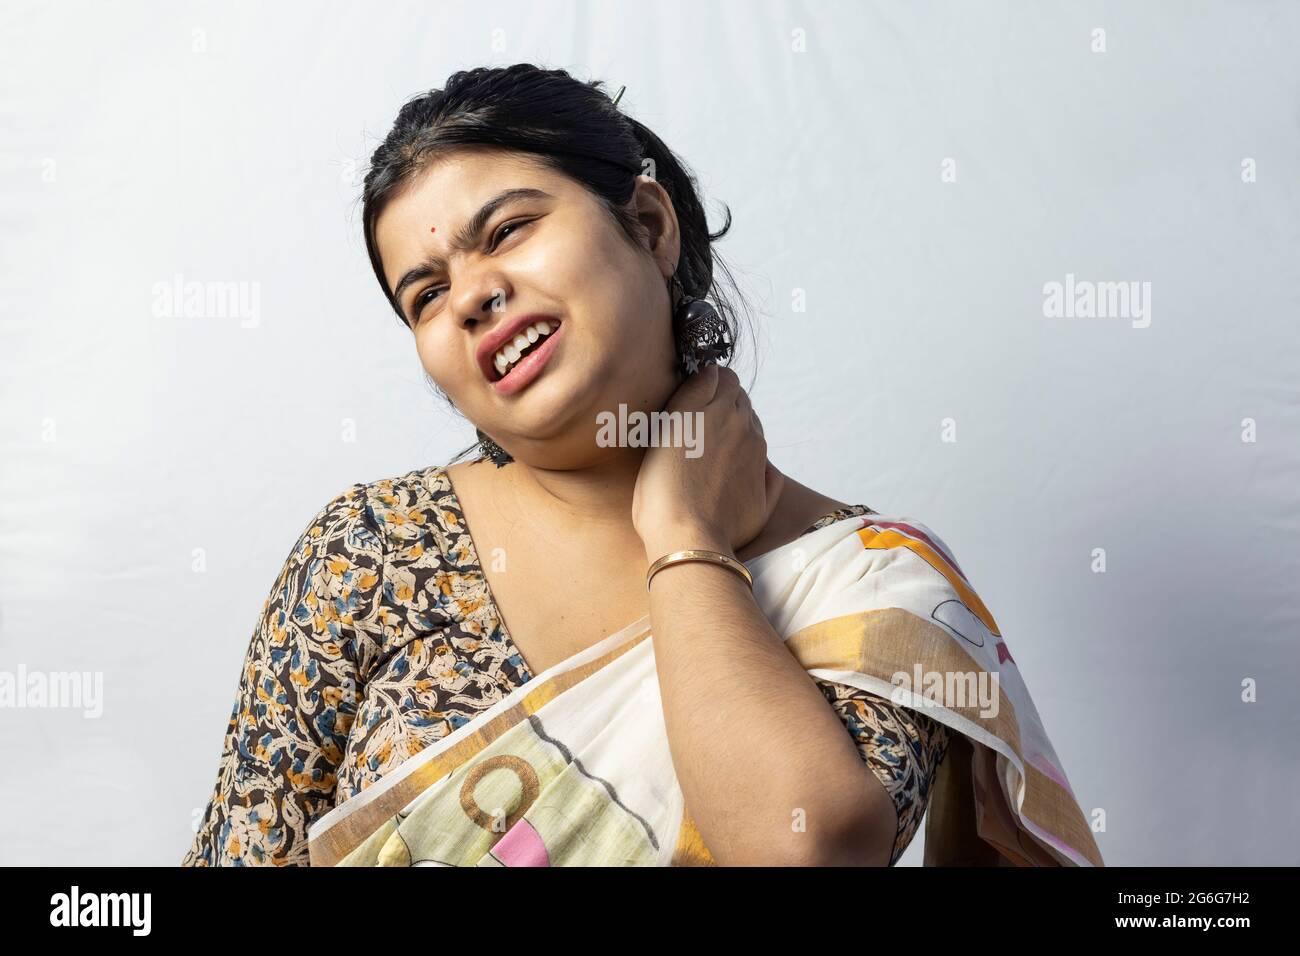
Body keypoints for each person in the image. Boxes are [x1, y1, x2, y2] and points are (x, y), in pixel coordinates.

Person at [183, 64, 1098, 868]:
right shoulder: (370, 553)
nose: (470, 295)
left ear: (651, 225)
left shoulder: (872, 589)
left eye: (507, 232)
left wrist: (686, 539)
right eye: (425, 294)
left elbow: (803, 847)